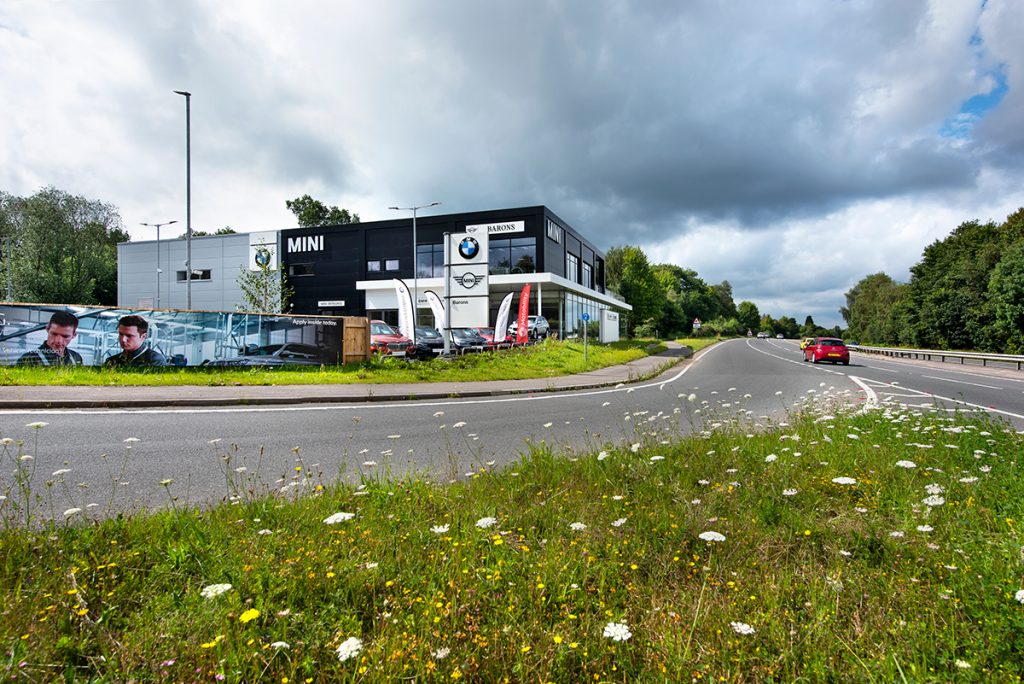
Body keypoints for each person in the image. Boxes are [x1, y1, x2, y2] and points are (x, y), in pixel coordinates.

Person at [16, 311, 84, 367]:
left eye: (65, 336)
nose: (58, 341)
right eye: (54, 334)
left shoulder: (76, 357)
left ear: (74, 335)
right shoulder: (28, 360)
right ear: (47, 329)